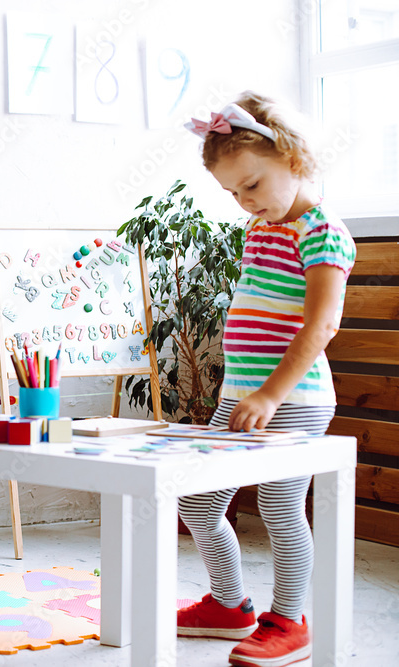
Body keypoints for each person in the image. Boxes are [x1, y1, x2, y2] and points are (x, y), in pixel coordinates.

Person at [176, 92, 356, 667]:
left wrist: (271, 392)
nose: (242, 203)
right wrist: (249, 393)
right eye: (232, 193)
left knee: (280, 504)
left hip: (294, 399)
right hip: (245, 396)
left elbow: (322, 323)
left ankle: (289, 619)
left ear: (295, 161)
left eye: (251, 186)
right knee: (203, 502)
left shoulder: (322, 230)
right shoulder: (262, 228)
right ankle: (229, 606)